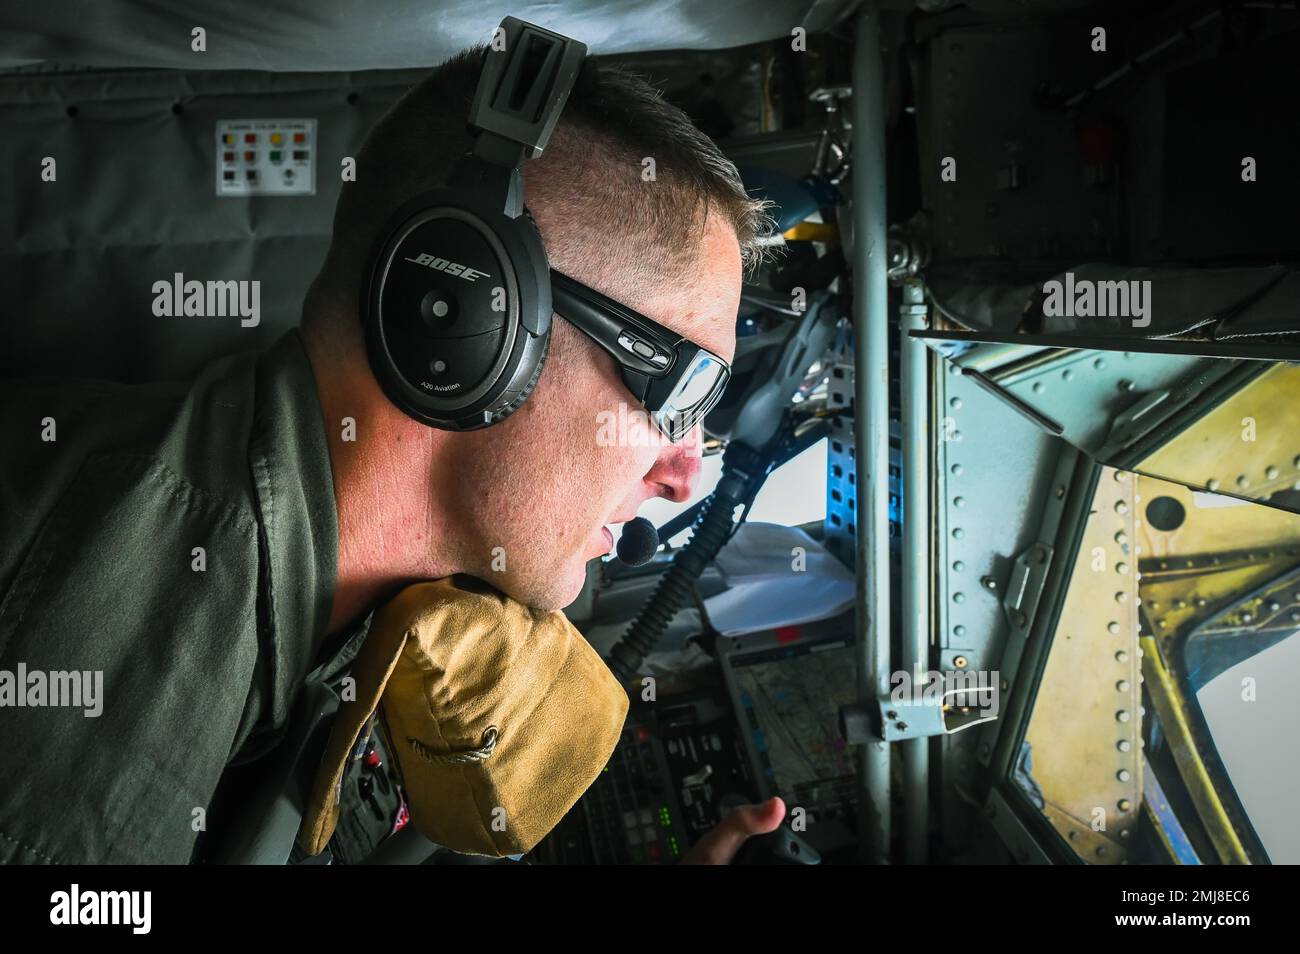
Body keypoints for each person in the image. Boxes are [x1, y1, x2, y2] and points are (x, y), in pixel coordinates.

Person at [0, 45, 783, 864]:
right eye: (683, 391)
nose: (682, 474)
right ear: (468, 310)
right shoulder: (124, 623)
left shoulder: (315, 590)